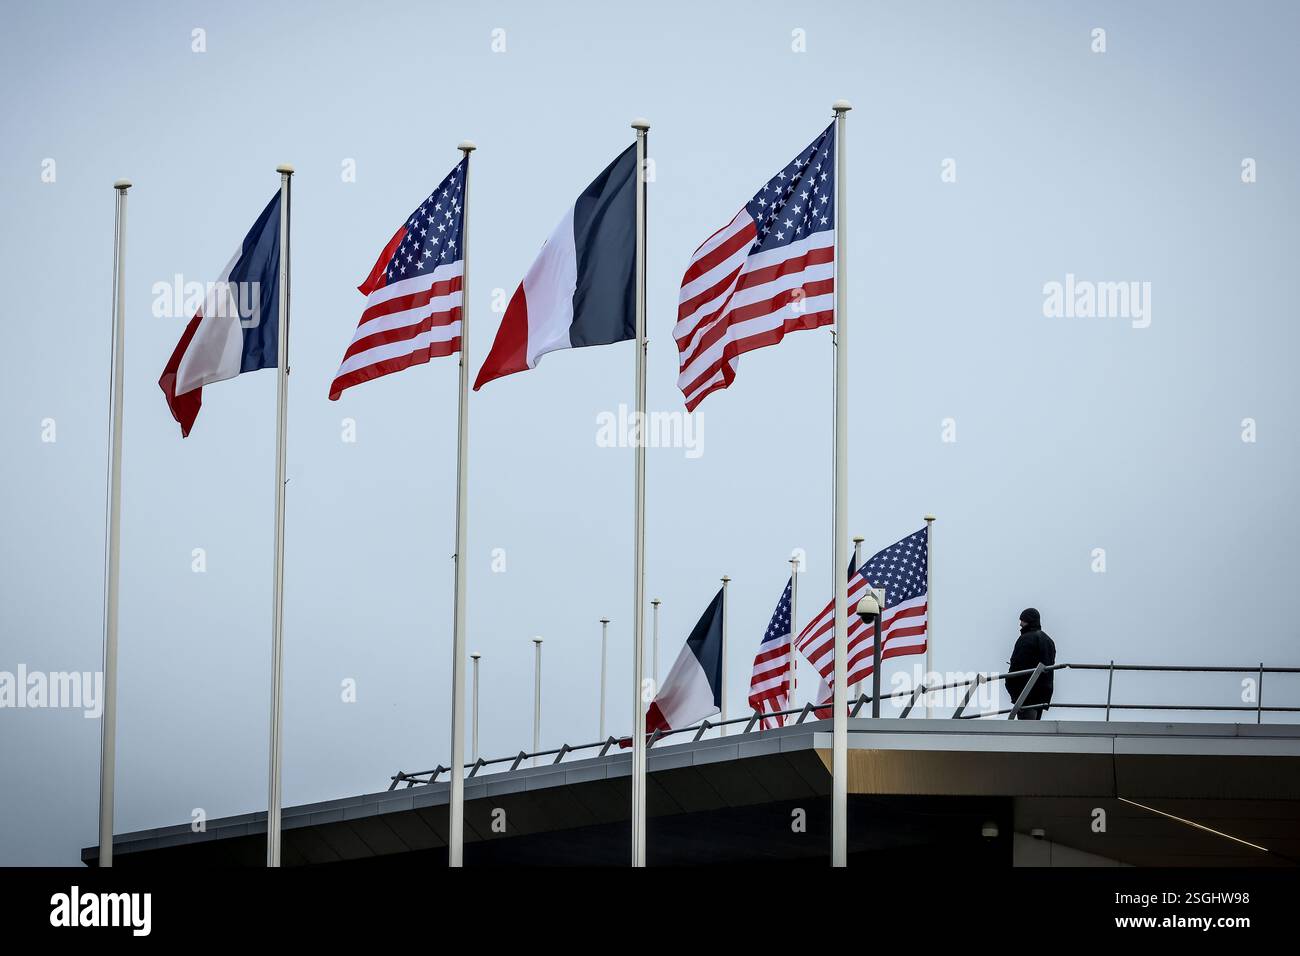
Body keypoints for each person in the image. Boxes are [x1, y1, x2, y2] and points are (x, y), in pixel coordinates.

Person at [1005, 608, 1056, 719]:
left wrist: (1009, 684)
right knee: (1034, 729)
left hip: (1026, 694)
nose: (1020, 624)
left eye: (1022, 620)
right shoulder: (1048, 641)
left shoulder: (1025, 639)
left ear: (1029, 620)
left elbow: (1018, 665)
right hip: (1043, 694)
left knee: (1026, 730)